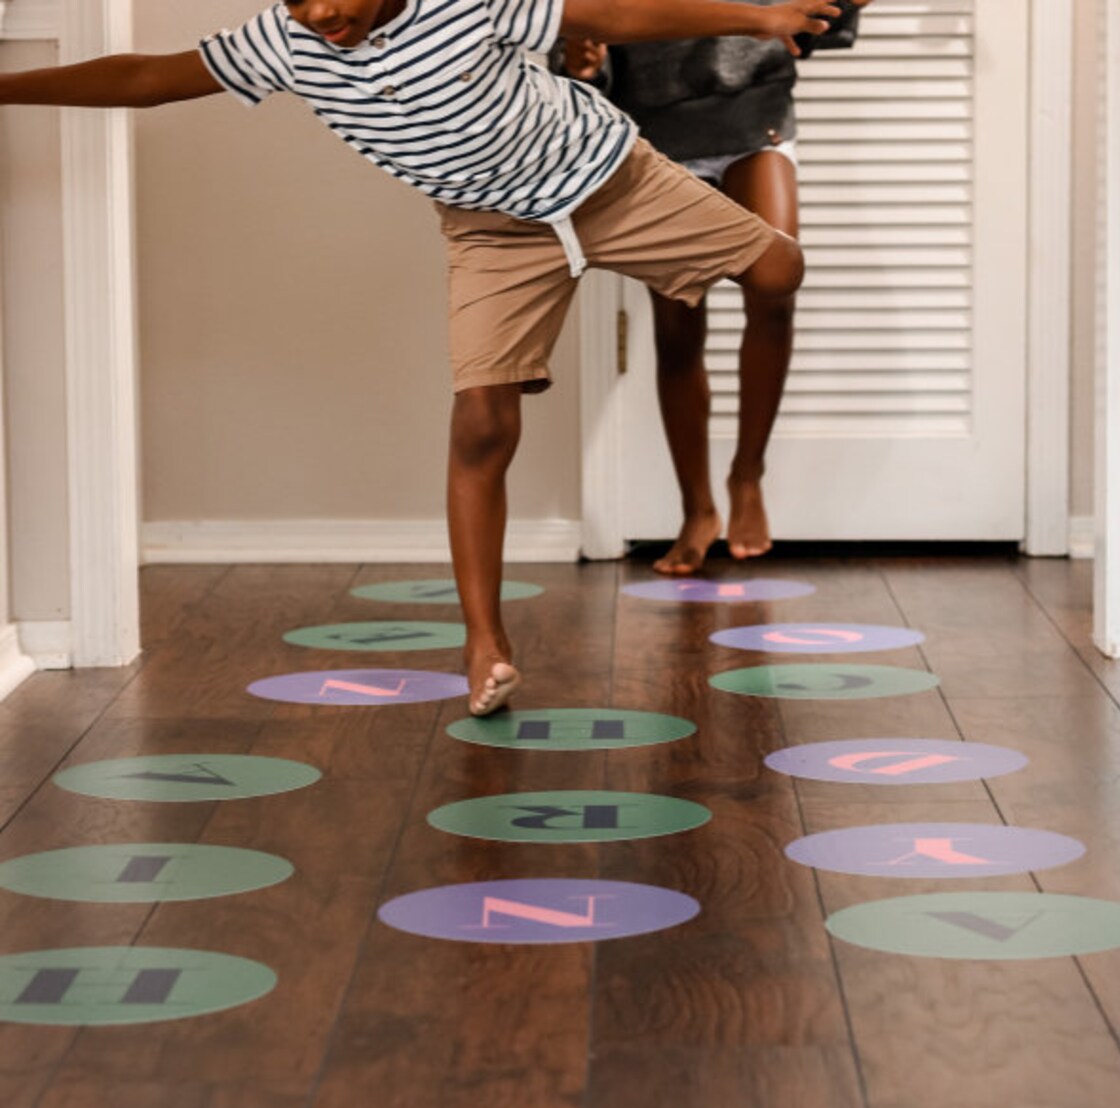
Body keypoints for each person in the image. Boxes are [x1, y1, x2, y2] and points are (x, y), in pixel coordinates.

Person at [0, 0, 842, 716]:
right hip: (493, 235)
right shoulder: (288, 41)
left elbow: (613, 13)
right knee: (480, 421)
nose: (318, 14)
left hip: (612, 184)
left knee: (780, 268)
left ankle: (740, 478)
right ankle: (484, 644)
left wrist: (757, 14)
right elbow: (148, 78)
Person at [557, 0, 871, 575]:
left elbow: (813, 26)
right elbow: (585, 45)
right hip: (656, 136)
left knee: (775, 290)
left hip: (758, 117)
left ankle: (747, 474)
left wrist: (840, 8)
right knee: (677, 332)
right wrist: (584, 67)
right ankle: (697, 510)